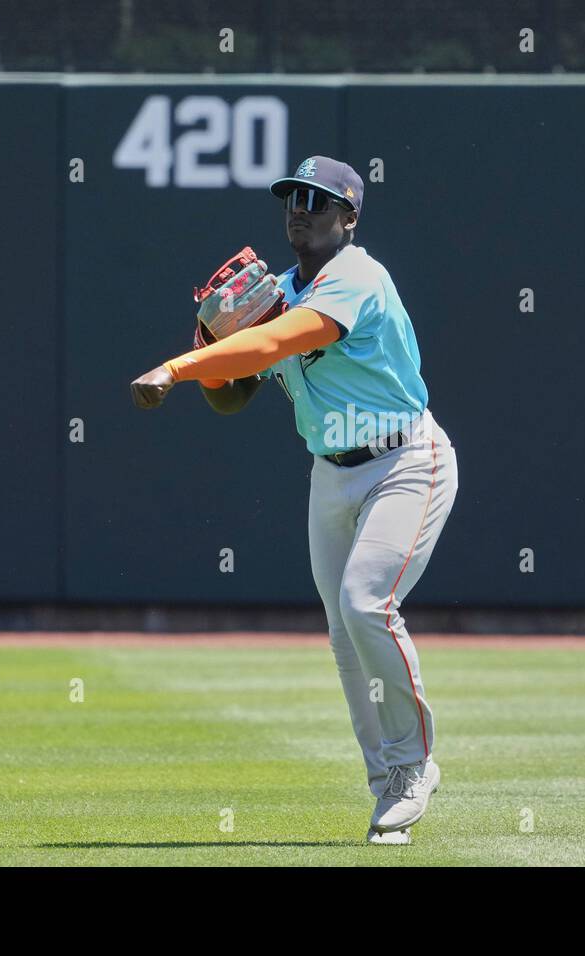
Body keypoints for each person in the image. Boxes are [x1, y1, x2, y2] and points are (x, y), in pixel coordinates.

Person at [130, 156, 458, 844]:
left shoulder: (358, 279)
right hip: (331, 472)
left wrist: (178, 366)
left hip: (405, 461)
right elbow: (234, 397)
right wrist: (212, 340)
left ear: (350, 217)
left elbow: (282, 340)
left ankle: (414, 764)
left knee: (367, 603)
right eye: (292, 198)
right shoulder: (276, 289)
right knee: (344, 634)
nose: (300, 209)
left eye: (318, 200)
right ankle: (386, 784)